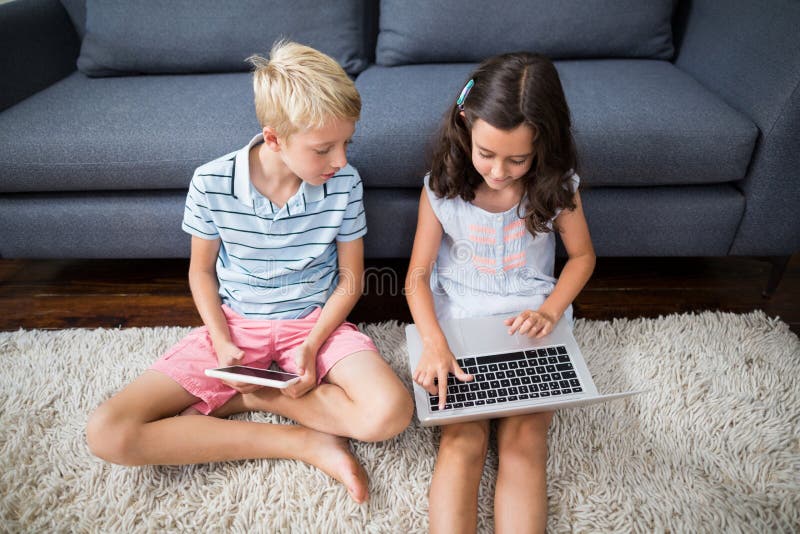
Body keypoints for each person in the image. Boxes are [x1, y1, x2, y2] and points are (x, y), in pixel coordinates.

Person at [87, 41, 413, 504]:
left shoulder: (344, 182)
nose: (341, 160)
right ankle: (297, 439)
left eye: (347, 143)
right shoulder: (212, 182)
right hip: (238, 326)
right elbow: (201, 273)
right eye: (324, 148)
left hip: (315, 323)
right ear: (275, 138)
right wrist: (221, 339)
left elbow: (351, 278)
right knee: (108, 432)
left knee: (390, 413)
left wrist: (315, 342)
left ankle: (253, 397)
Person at [405, 52, 595, 533]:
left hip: (531, 319)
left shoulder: (555, 187)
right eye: (485, 153)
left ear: (543, 147)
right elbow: (416, 278)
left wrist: (551, 312)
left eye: (517, 159)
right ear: (465, 124)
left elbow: (582, 257)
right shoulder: (442, 188)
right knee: (463, 441)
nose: (497, 171)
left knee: (525, 440)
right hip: (461, 320)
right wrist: (434, 342)